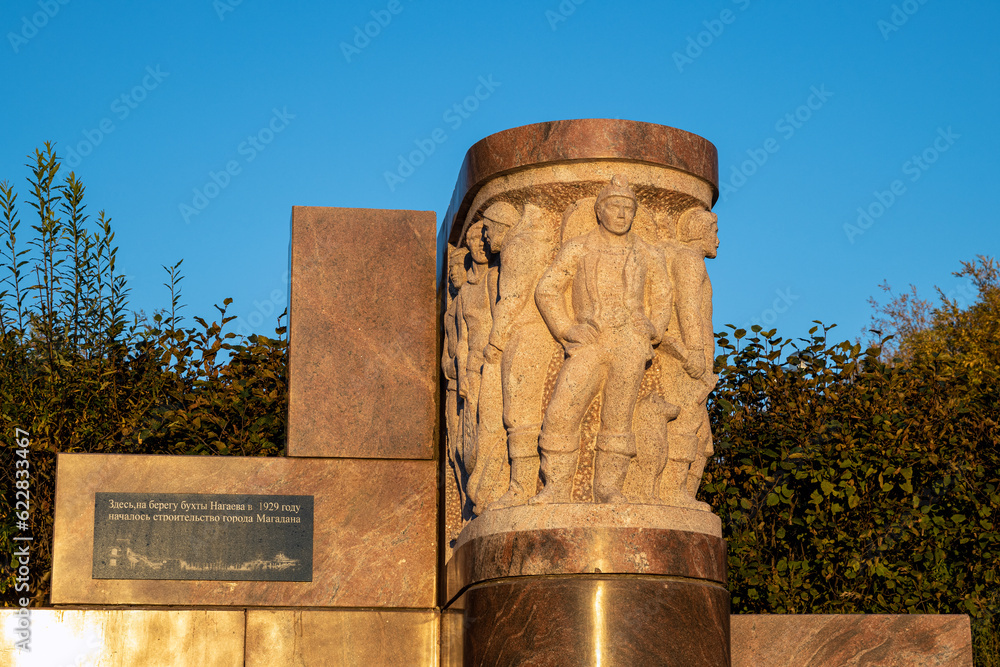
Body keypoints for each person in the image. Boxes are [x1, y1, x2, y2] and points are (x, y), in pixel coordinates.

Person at [532, 174, 672, 504]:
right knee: (562, 412)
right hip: (590, 343)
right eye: (615, 207)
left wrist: (653, 328)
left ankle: (608, 488)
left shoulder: (647, 252)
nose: (622, 215)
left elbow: (664, 295)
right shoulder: (579, 247)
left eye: (628, 208)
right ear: (599, 210)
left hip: (629, 342)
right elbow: (547, 289)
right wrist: (566, 329)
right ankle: (556, 486)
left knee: (618, 418)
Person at [480, 201, 558, 509]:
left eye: (486, 229)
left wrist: (495, 340)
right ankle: (523, 485)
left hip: (525, 332)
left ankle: (521, 488)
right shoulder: (527, 240)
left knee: (518, 413)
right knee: (521, 412)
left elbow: (512, 296)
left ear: (500, 225)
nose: (485, 238)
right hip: (532, 332)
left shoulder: (515, 245)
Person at [657, 206, 719, 509]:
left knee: (704, 444)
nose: (717, 240)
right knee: (686, 425)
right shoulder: (689, 259)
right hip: (687, 360)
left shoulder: (688, 259)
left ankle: (682, 493)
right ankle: (673, 492)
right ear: (700, 232)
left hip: (697, 359)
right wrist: (695, 353)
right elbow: (688, 307)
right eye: (714, 232)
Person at [442, 245, 469, 514]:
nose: (451, 275)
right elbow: (446, 355)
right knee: (454, 449)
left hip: (468, 382)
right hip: (453, 384)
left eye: (456, 268)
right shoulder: (450, 310)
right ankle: (464, 506)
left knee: (466, 444)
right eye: (449, 270)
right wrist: (450, 366)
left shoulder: (470, 299)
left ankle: (471, 502)